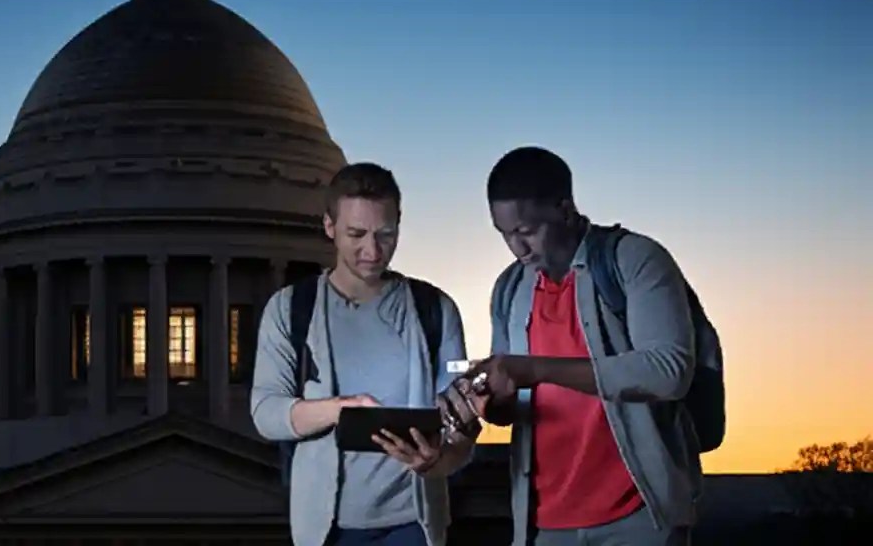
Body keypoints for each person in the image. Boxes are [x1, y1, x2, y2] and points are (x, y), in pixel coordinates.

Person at [466, 146, 702, 546]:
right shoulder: (509, 290)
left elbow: (669, 371)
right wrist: (488, 400)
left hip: (639, 517)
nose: (516, 248)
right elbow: (511, 410)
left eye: (526, 231)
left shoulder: (635, 260)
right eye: (504, 234)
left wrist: (537, 369)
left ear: (565, 208)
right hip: (543, 523)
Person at [250, 162, 480, 546]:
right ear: (329, 227)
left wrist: (440, 461)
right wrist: (341, 409)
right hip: (328, 530)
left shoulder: (435, 309)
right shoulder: (289, 308)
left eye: (385, 234)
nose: (372, 251)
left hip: (414, 524)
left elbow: (461, 426)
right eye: (356, 234)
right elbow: (265, 414)